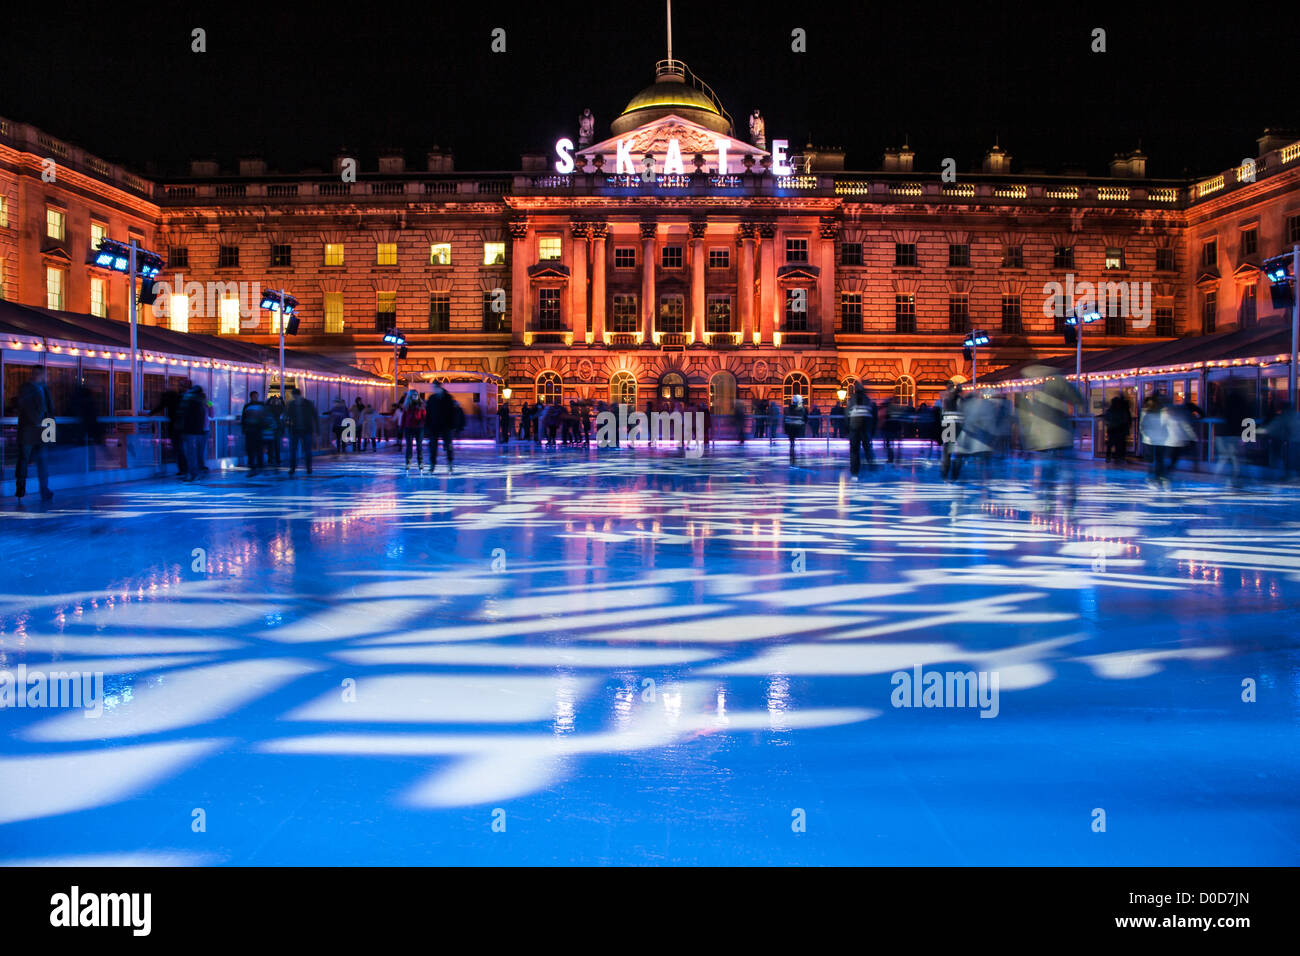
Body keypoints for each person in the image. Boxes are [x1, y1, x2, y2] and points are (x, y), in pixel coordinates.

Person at [1015, 366, 1085, 508]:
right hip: (1061, 437)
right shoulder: (1057, 383)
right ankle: (1068, 495)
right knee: (1064, 468)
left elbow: (1026, 420)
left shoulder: (1030, 392)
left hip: (1044, 440)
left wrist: (1028, 441)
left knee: (1049, 470)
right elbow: (1078, 399)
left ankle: (1049, 497)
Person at [14, 366, 55, 501]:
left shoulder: (43, 388)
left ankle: (43, 489)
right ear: (39, 374)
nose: (46, 377)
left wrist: (49, 429)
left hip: (40, 429)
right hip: (30, 429)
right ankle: (21, 487)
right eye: (44, 374)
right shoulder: (27, 388)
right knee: (25, 459)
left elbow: (49, 410)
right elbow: (26, 408)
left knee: (41, 461)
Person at [424, 381, 460, 473]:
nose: (434, 389)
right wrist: (427, 426)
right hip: (434, 426)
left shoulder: (448, 398)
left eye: (435, 387)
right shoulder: (432, 398)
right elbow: (428, 413)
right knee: (432, 446)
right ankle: (432, 464)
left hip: (446, 426)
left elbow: (453, 413)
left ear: (439, 387)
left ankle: (450, 462)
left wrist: (453, 425)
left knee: (448, 445)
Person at [151, 387, 187, 476]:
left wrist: (150, 413)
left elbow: (160, 407)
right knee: (181, 449)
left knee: (178, 449)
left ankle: (183, 469)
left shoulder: (169, 400)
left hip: (176, 427)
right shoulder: (180, 399)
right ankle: (185, 468)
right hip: (183, 427)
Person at [178, 384, 210, 482]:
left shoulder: (187, 399)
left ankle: (192, 473)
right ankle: (195, 473)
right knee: (196, 452)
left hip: (189, 429)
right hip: (200, 430)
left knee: (189, 452)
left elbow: (181, 413)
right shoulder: (202, 401)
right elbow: (210, 413)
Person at [286, 387, 318, 477]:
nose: (295, 398)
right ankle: (294, 468)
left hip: (305, 429)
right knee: (294, 450)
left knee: (306, 450)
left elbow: (315, 416)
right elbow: (288, 416)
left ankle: (307, 468)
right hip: (296, 430)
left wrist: (317, 430)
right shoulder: (293, 404)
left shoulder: (306, 404)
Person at [846, 384, 876, 476]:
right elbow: (874, 417)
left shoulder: (851, 400)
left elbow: (847, 416)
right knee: (867, 449)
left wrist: (847, 430)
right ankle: (872, 469)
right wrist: (872, 432)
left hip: (854, 428)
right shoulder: (867, 400)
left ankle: (854, 472)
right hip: (865, 429)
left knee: (854, 450)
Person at [938, 382, 965, 482]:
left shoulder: (946, 398)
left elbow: (943, 412)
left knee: (947, 452)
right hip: (958, 427)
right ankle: (953, 475)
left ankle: (945, 473)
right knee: (957, 452)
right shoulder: (960, 400)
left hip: (948, 426)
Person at [240, 390, 268, 476]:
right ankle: (253, 463)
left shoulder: (256, 406)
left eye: (256, 396)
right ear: (251, 397)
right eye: (254, 396)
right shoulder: (251, 406)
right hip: (251, 430)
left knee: (257, 447)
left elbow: (265, 417)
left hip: (257, 429)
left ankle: (258, 463)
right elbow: (244, 418)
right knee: (252, 447)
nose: (256, 397)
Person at [398, 390, 425, 470]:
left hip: (419, 428)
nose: (416, 396)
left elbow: (424, 416)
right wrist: (401, 428)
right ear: (410, 396)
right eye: (414, 394)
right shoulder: (406, 405)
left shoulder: (421, 405)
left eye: (417, 394)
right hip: (408, 428)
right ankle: (408, 462)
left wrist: (422, 424)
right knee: (409, 446)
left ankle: (420, 462)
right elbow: (403, 417)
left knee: (419, 446)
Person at [1101, 394, 1133, 463]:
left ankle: (1108, 457)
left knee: (1110, 444)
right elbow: (1125, 420)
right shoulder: (1122, 411)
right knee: (1120, 445)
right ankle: (1119, 458)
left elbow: (1107, 418)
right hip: (1120, 430)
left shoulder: (1110, 411)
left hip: (1112, 430)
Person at [783, 393, 807, 464]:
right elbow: (805, 418)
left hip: (790, 427)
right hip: (798, 427)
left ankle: (792, 449)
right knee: (799, 441)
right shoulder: (802, 409)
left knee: (792, 442)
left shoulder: (789, 409)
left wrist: (785, 428)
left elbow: (786, 418)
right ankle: (800, 453)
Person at [265, 393, 285, 468]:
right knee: (276, 444)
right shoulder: (279, 408)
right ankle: (277, 459)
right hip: (276, 428)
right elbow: (283, 408)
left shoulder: (269, 408)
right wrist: (281, 401)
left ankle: (271, 459)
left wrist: (270, 399)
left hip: (271, 428)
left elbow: (265, 406)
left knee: (271, 445)